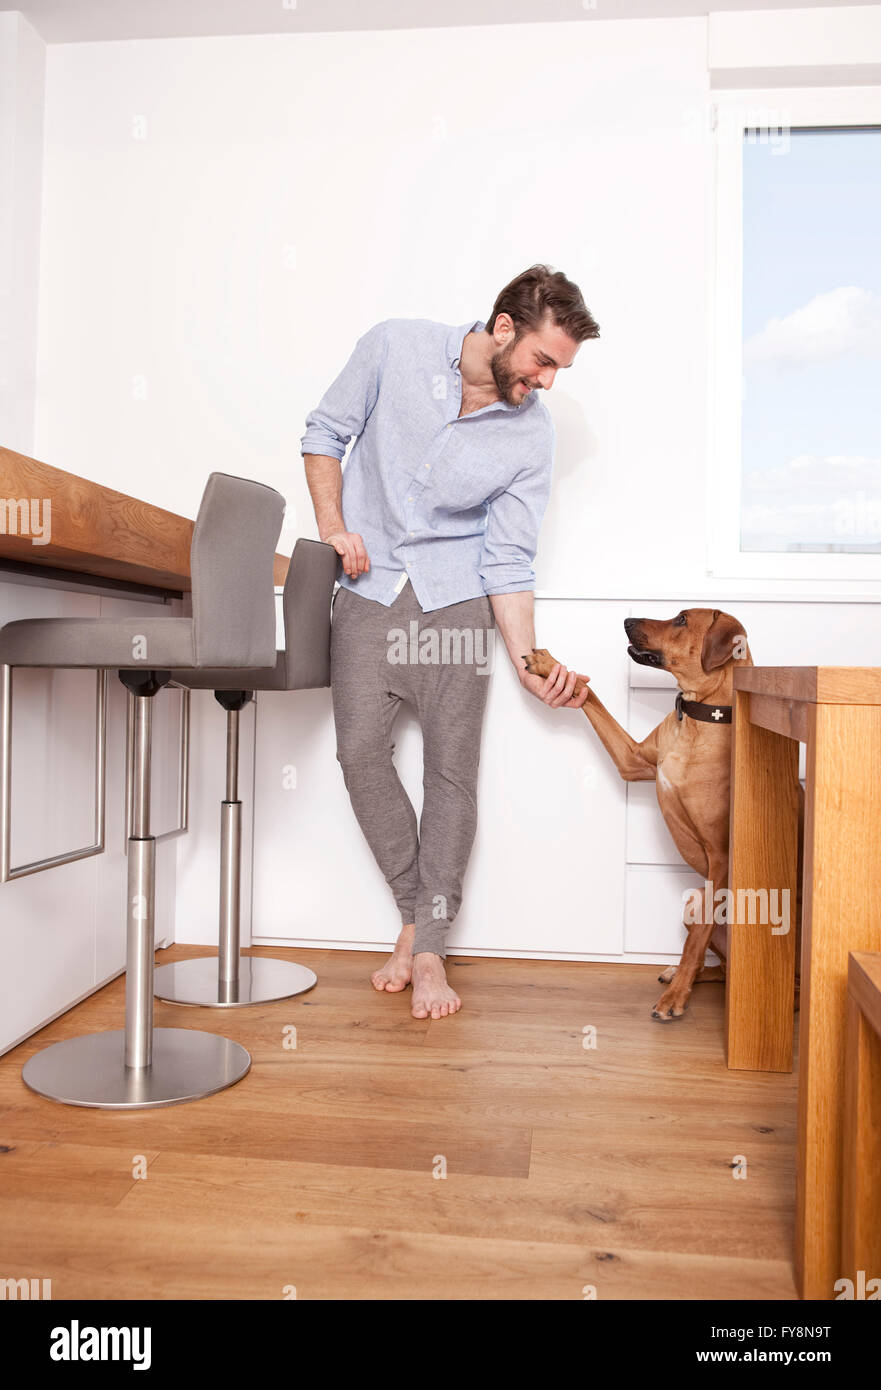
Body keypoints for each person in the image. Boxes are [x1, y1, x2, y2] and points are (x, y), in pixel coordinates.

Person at [301, 264, 598, 1020]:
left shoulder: (530, 434)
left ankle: (426, 945)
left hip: (455, 606)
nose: (548, 381)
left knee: (450, 776)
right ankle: (413, 913)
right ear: (504, 328)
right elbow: (324, 433)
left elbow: (507, 558)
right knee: (358, 755)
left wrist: (530, 662)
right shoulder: (393, 347)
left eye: (558, 368)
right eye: (542, 361)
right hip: (367, 595)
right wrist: (336, 529)